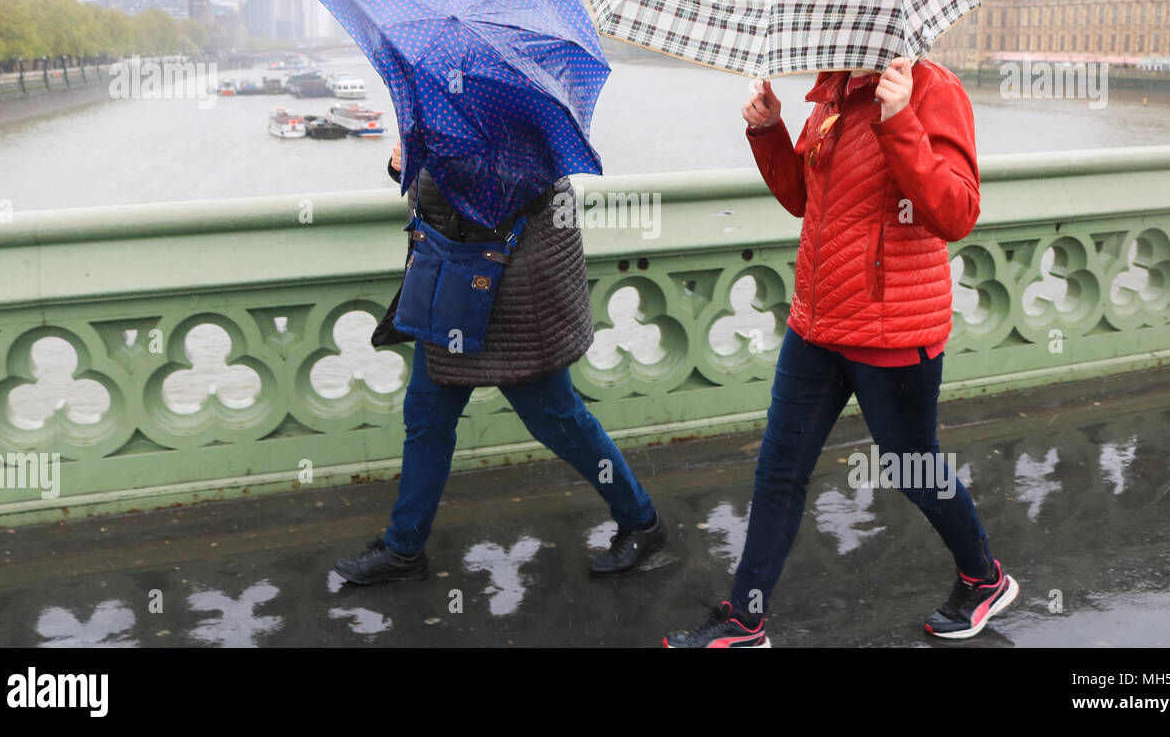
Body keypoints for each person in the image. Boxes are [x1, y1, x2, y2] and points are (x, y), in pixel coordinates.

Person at [664, 57, 1016, 647]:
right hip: (818, 322)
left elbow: (956, 214)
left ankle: (984, 578)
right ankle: (745, 620)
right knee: (780, 468)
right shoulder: (832, 93)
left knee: (913, 467)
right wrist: (769, 130)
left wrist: (900, 118)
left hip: (894, 329)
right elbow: (804, 198)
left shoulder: (932, 88)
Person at [334, 142, 665, 584]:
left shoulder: (520, 120)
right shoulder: (455, 108)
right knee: (427, 418)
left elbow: (486, 199)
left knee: (559, 420)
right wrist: (405, 165)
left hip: (514, 300)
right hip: (459, 290)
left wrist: (426, 163)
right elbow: (438, 200)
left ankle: (642, 522)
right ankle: (404, 547)